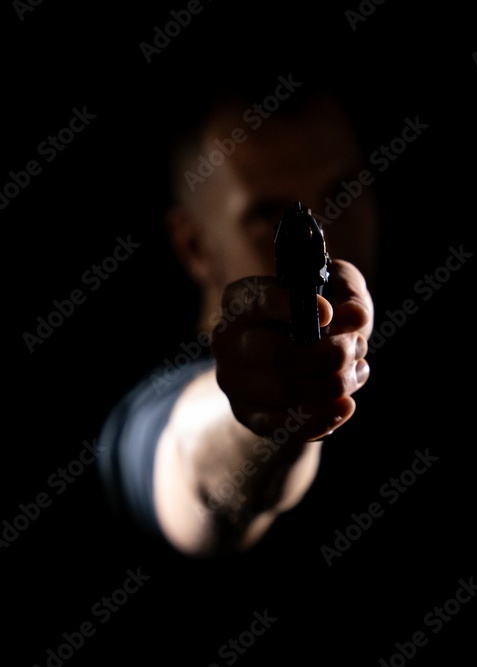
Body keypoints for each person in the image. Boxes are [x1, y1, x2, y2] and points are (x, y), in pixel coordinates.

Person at [99, 85, 380, 557]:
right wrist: (263, 417)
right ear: (194, 246)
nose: (324, 242)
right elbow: (189, 456)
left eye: (343, 192)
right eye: (269, 216)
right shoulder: (158, 408)